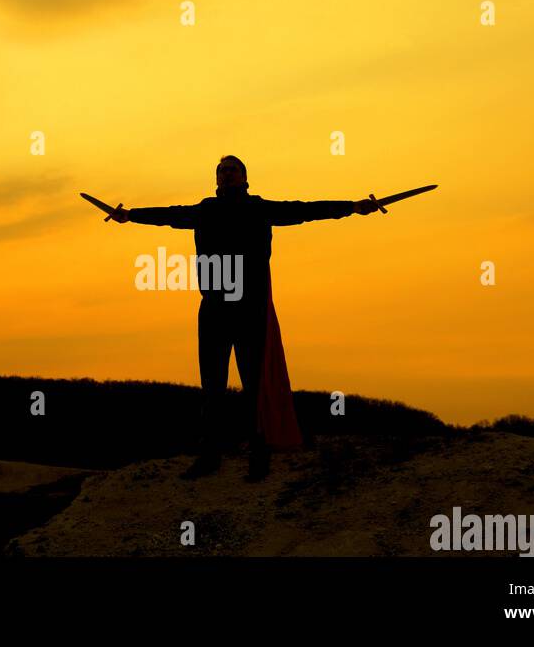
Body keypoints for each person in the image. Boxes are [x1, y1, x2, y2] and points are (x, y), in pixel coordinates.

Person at [105, 156, 380, 481]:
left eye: (233, 169)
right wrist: (130, 216)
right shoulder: (204, 210)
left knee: (254, 385)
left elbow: (305, 210)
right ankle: (209, 456)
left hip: (249, 307)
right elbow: (168, 216)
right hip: (214, 307)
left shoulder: (259, 208)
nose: (227, 174)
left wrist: (353, 206)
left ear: (245, 178)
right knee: (212, 387)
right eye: (222, 170)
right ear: (216, 179)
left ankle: (258, 454)